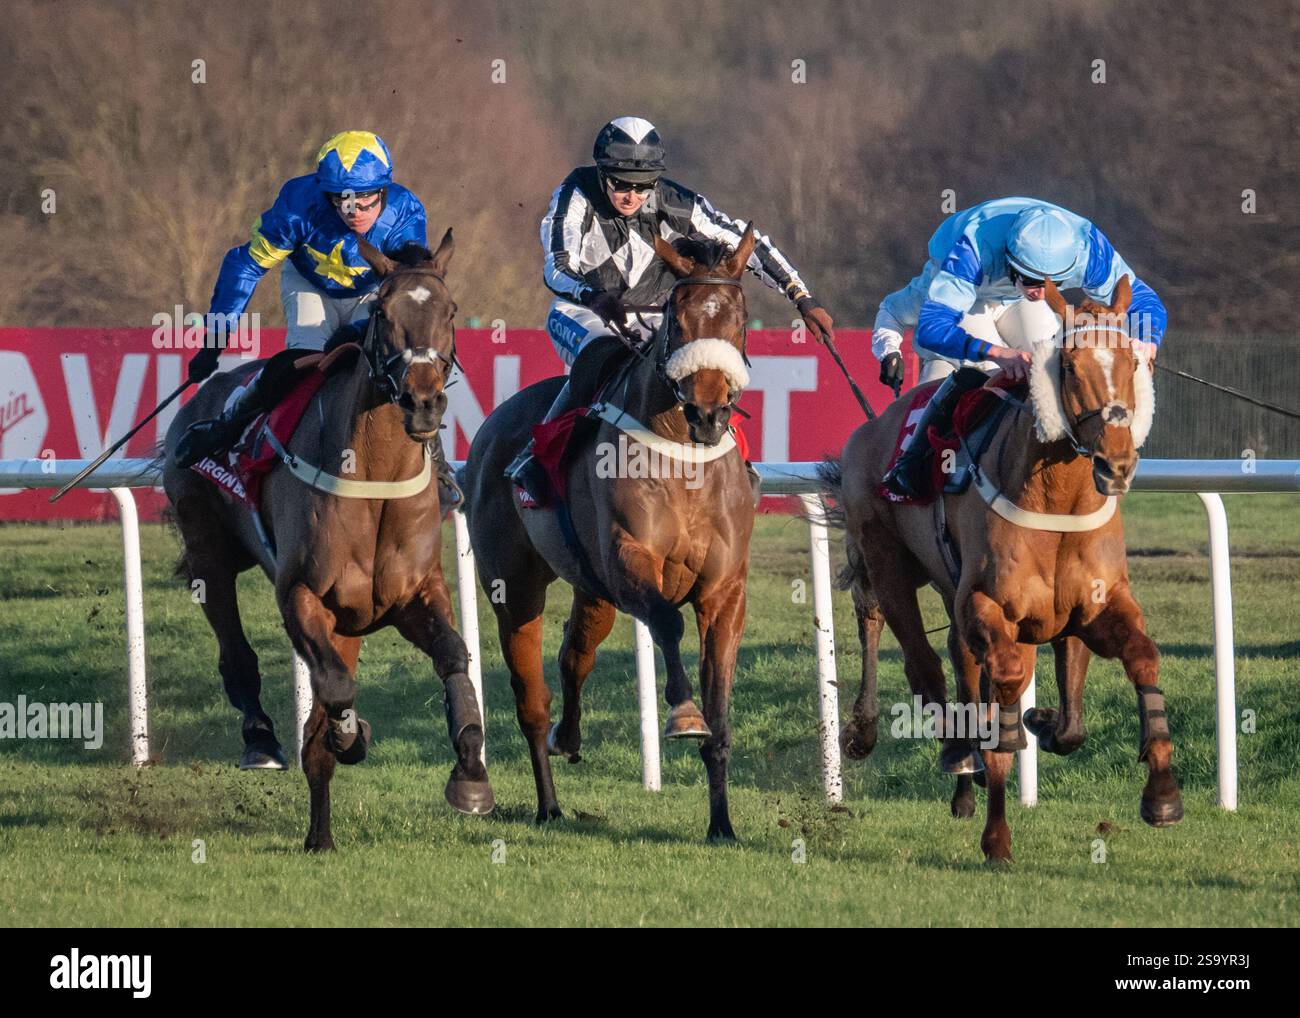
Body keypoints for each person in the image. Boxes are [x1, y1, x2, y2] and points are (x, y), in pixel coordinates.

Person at [504, 116, 836, 501]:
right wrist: (593, 296)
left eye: (643, 186)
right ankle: (538, 459)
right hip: (582, 311)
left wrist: (802, 297)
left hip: (654, 316)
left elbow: (750, 243)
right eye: (620, 184)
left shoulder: (679, 203)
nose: (632, 196)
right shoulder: (575, 193)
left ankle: (731, 455)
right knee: (600, 356)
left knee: (701, 359)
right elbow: (557, 265)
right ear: (601, 172)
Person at [174, 130, 460, 503]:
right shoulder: (297, 207)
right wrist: (215, 339)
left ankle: (436, 462)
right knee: (304, 362)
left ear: (384, 191)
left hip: (374, 289)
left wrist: (357, 331)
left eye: (364, 199)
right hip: (309, 283)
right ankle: (227, 426)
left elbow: (412, 289)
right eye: (340, 199)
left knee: (398, 362)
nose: (352, 210)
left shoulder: (405, 211)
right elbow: (243, 266)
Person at [874, 197, 1167, 497]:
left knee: (1049, 363)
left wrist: (1146, 341)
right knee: (986, 375)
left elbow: (1143, 300)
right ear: (1010, 260)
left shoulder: (1087, 246)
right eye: (1030, 280)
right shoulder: (972, 251)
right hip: (966, 300)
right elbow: (931, 328)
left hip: (1012, 300)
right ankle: (910, 465)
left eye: (1052, 283)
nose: (1039, 291)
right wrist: (997, 353)